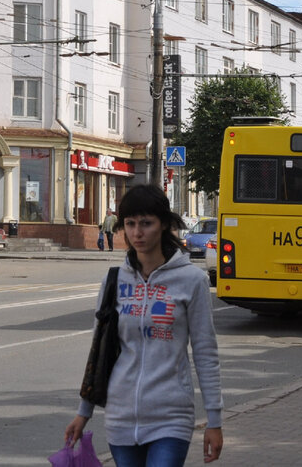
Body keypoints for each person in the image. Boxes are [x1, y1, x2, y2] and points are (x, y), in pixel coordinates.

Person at [64, 185, 223, 465]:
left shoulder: (191, 280)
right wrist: (83, 412)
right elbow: (101, 351)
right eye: (130, 224)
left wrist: (214, 420)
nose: (137, 233)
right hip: (121, 416)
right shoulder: (114, 281)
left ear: (163, 225)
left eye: (146, 223)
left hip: (171, 416)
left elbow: (205, 353)